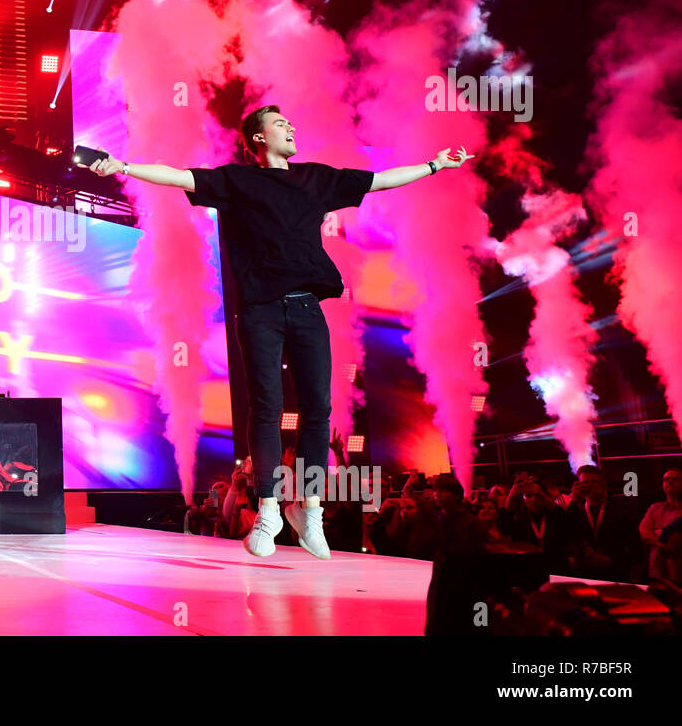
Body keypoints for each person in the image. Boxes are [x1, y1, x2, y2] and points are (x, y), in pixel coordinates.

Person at [86, 103, 474, 558]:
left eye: (291, 122)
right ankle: (268, 509)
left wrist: (434, 165)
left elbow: (380, 180)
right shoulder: (237, 180)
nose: (290, 128)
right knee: (267, 407)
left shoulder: (316, 178)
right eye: (280, 124)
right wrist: (123, 166)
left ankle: (309, 511)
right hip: (260, 310)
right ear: (258, 139)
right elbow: (177, 176)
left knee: (319, 409)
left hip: (308, 307)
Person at [639, 467, 682, 579]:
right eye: (666, 479)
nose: (670, 482)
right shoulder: (655, 508)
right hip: (657, 570)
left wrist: (658, 533)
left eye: (675, 479)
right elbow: (644, 532)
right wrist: (665, 542)